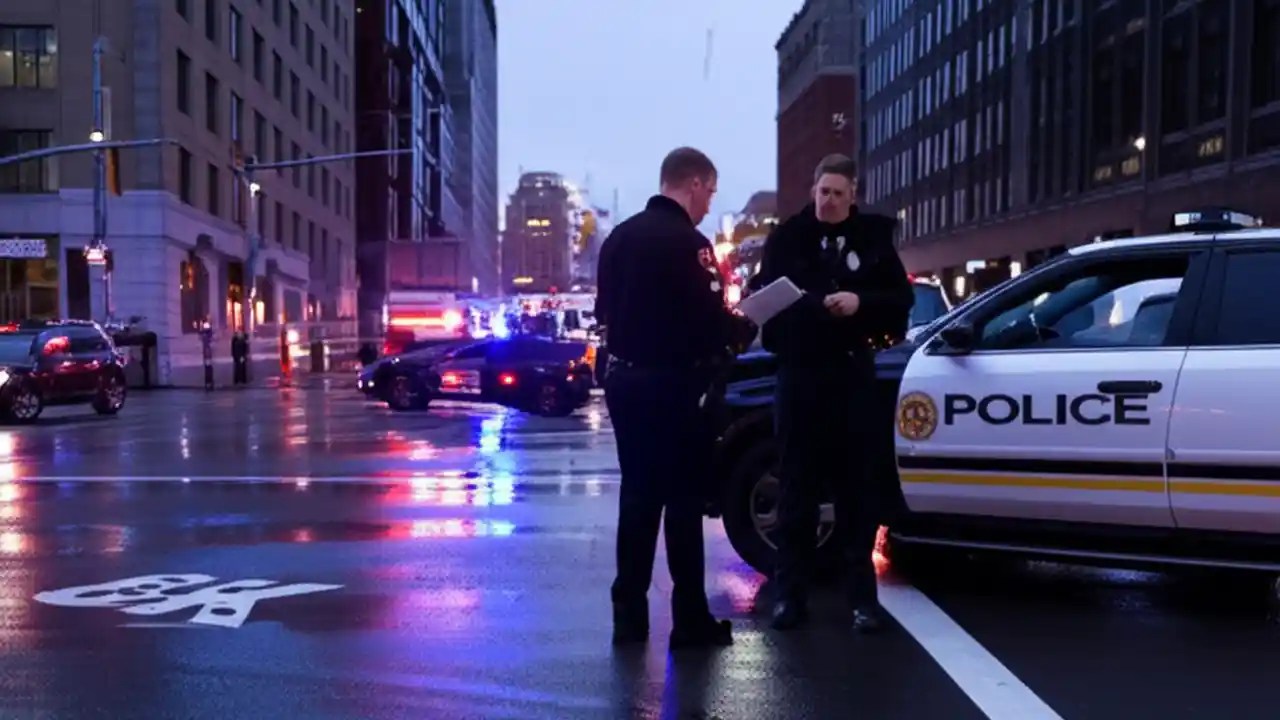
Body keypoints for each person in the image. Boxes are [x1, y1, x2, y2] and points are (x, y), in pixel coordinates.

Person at [595, 146, 756, 648]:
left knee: (638, 497)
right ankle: (690, 619)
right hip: (675, 386)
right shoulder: (690, 244)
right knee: (684, 500)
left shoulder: (618, 239)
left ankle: (629, 615)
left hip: (625, 382)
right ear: (693, 183)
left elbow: (605, 312)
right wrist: (744, 327)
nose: (709, 202)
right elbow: (709, 321)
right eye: (709, 191)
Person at [753, 154, 914, 633]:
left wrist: (860, 302)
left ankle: (862, 600)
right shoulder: (787, 239)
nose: (828, 200)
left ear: (852, 196)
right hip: (800, 375)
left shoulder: (874, 239)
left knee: (856, 494)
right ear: (813, 190)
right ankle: (789, 597)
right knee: (796, 491)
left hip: (850, 377)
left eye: (837, 193)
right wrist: (808, 310)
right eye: (822, 191)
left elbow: (898, 303)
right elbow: (765, 302)